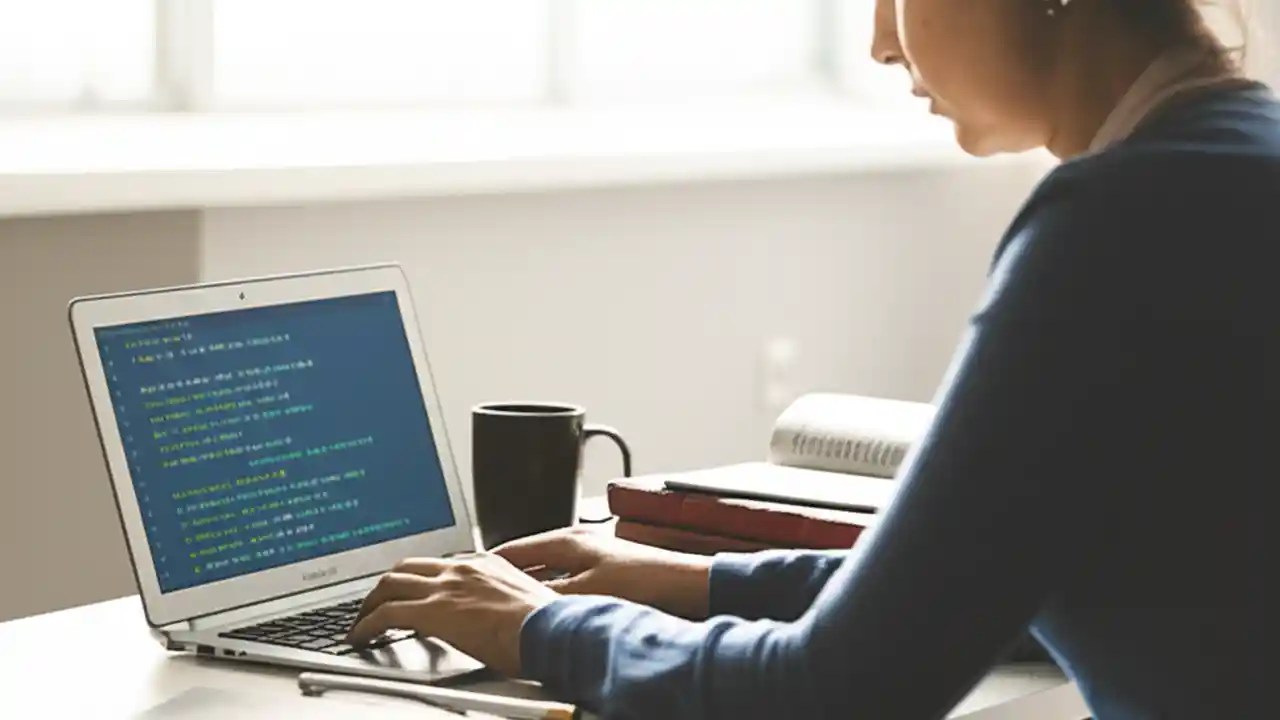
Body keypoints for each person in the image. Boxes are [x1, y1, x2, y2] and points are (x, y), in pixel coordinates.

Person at [346, 1, 1274, 717]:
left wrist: (540, 626)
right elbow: (996, 579)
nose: (880, 42)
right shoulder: (1242, 165)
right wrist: (696, 582)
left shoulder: (1115, 226)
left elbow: (838, 690)